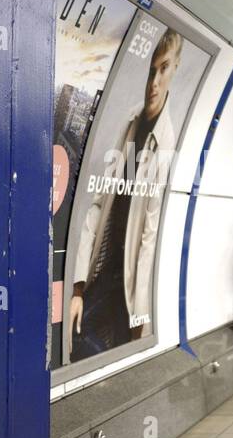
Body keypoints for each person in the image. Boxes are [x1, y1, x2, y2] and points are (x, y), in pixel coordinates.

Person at [69, 29, 181, 361]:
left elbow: (149, 236)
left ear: (174, 70)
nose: (155, 81)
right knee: (88, 337)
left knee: (91, 336)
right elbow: (98, 204)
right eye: (151, 70)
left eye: (164, 69)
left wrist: (141, 313)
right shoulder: (130, 122)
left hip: (128, 280)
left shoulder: (166, 142)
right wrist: (77, 288)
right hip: (104, 267)